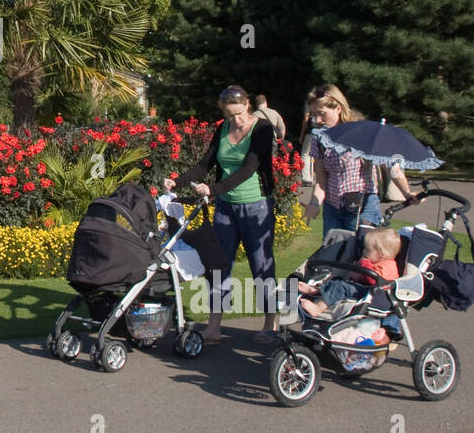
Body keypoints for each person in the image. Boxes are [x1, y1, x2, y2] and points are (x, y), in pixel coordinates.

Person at [162, 85, 279, 344]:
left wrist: (214, 189)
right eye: (229, 115)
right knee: (218, 264)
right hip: (226, 207)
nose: (235, 120)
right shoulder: (223, 129)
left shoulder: (261, 130)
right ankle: (214, 326)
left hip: (256, 206)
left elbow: (250, 168)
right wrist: (178, 181)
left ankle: (271, 323)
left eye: (238, 114)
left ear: (247, 105)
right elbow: (206, 164)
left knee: (261, 265)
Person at [302, 84, 415, 239]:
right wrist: (314, 204)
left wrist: (407, 192)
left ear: (338, 108)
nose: (317, 120)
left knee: (363, 255)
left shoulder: (362, 133)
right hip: (333, 209)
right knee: (332, 256)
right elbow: (321, 181)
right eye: (314, 115)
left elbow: (391, 167)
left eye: (322, 114)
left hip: (362, 207)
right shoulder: (319, 139)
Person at [298, 227, 401, 319]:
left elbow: (373, 280)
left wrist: (364, 263)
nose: (364, 252)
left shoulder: (388, 266)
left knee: (341, 286)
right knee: (338, 280)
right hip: (366, 289)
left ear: (383, 254)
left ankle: (318, 307)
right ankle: (318, 290)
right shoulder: (377, 261)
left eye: (368, 250)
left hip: (375, 294)